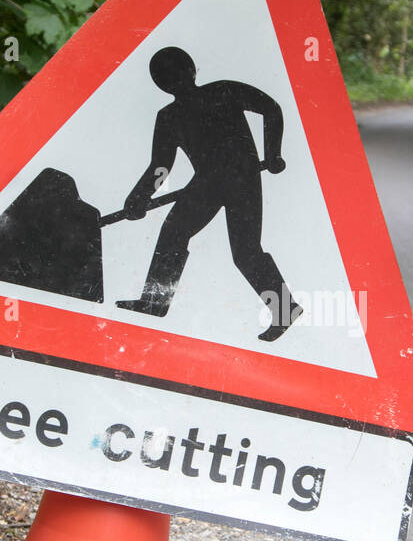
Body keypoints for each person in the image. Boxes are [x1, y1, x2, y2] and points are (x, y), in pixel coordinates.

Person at [116, 47, 302, 342]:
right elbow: (161, 166)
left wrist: (273, 153)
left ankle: (284, 309)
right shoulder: (169, 116)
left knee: (245, 251)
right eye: (165, 77)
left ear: (191, 70)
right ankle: (154, 302)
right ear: (159, 83)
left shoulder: (224, 91)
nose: (172, 80)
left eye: (176, 72)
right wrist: (138, 198)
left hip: (242, 178)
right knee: (173, 233)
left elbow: (271, 108)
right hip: (206, 184)